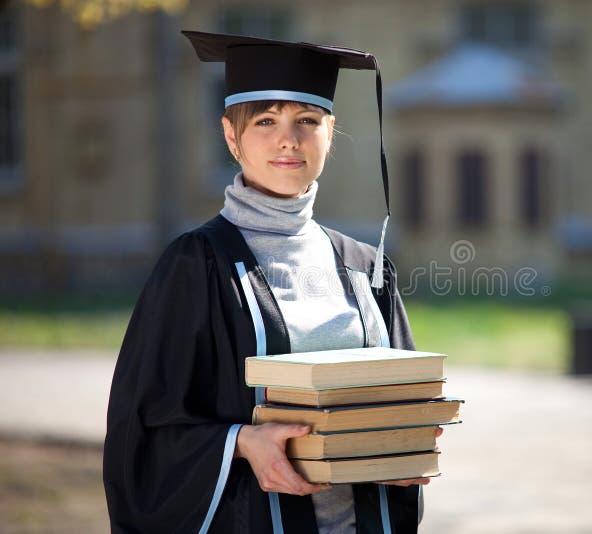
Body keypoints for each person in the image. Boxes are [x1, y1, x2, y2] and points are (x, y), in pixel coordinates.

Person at [104, 30, 436, 533]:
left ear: (330, 132)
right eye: (265, 121)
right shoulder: (198, 265)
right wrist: (241, 441)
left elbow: (402, 403)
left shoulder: (367, 267)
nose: (289, 139)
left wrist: (406, 439)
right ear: (230, 136)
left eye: (307, 121)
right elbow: (144, 432)